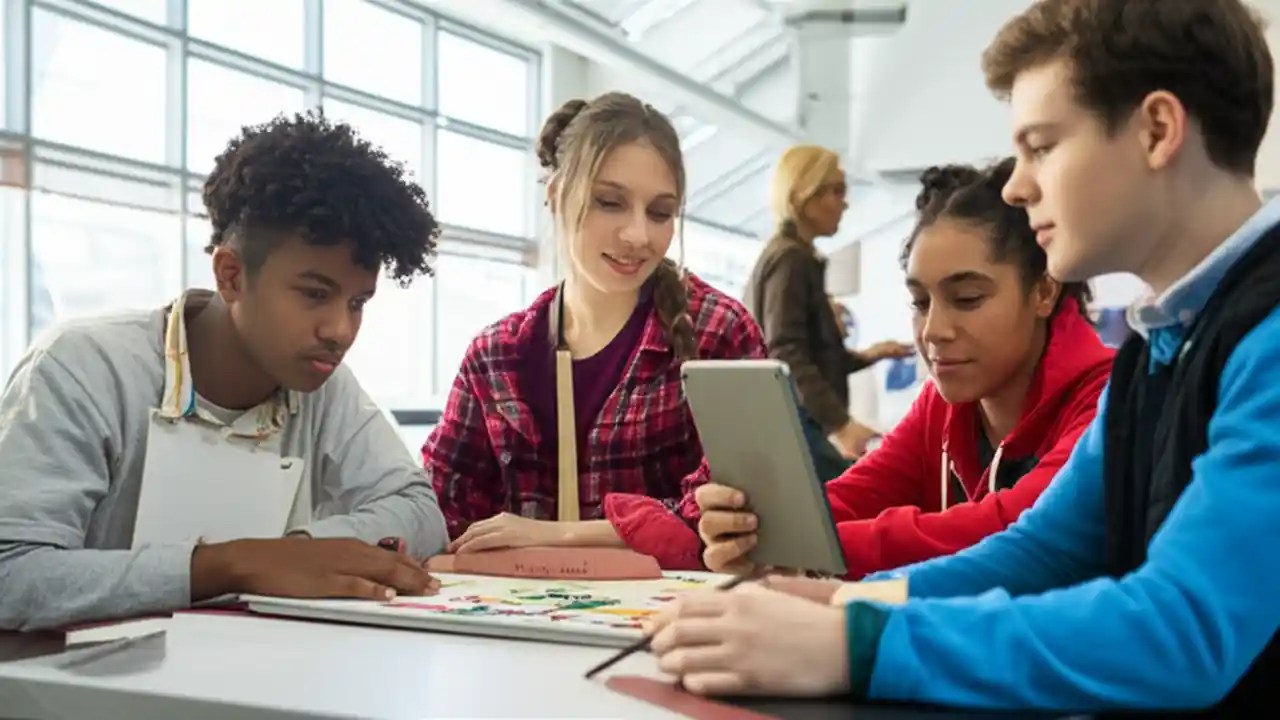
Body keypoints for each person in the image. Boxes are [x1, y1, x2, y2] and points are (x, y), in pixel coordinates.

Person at [645, 0, 1280, 712]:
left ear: (1157, 130)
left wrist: (855, 643)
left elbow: (1184, 631)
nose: (1015, 185)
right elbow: (1043, 552)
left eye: (1042, 145)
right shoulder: (1157, 352)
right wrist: (843, 602)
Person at [0, 112, 447, 631]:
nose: (341, 329)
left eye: (358, 301)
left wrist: (299, 553)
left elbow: (419, 511)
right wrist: (230, 565)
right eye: (315, 294)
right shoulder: (83, 366)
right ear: (231, 275)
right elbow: (11, 573)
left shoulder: (322, 385)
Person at [699, 159, 1114, 580]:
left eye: (967, 298)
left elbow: (1011, 529)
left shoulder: (1107, 399)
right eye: (920, 303)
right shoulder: (940, 403)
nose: (933, 331)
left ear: (1044, 290)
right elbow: (851, 497)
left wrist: (804, 547)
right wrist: (753, 529)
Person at [422, 92, 766, 571]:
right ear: (556, 194)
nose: (638, 235)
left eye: (661, 213)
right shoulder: (493, 355)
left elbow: (737, 512)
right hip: (519, 630)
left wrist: (558, 536)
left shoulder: (718, 333)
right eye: (610, 203)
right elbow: (440, 506)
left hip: (672, 627)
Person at [744, 145, 912, 478]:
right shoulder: (792, 260)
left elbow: (810, 355)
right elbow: (786, 352)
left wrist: (869, 355)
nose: (845, 202)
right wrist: (841, 423)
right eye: (836, 191)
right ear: (804, 195)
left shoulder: (790, 256)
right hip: (796, 423)